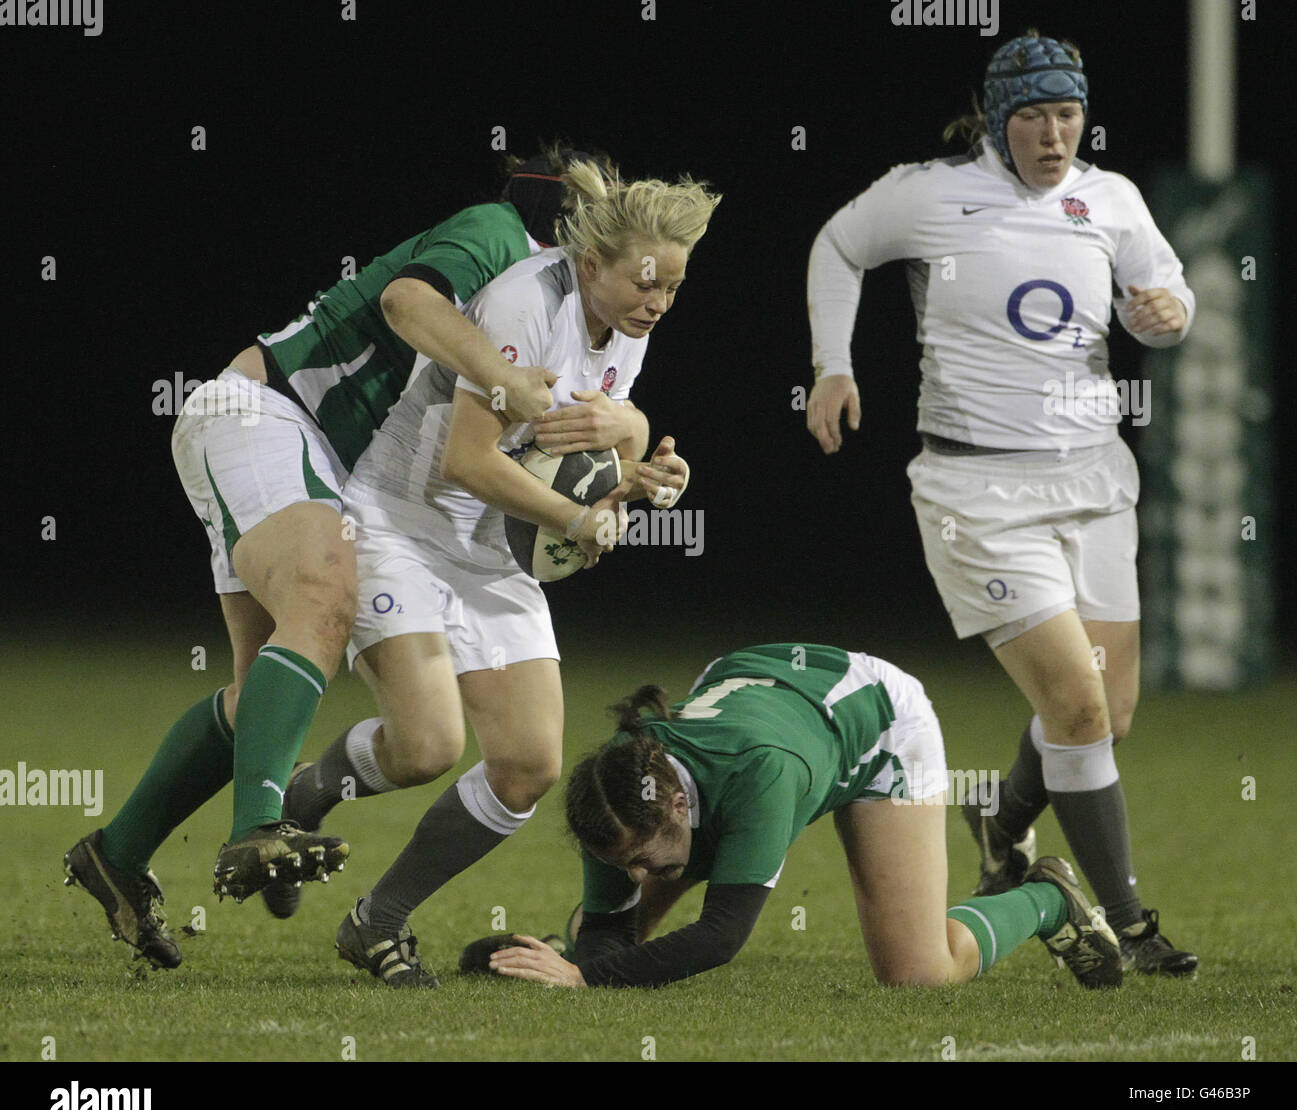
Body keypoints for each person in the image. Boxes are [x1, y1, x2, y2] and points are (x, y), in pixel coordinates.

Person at [62, 147, 598, 969]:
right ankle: (258, 830)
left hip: (281, 440)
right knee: (325, 591)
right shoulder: (498, 232)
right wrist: (508, 384)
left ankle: (118, 852)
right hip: (265, 413)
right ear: (568, 215)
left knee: (260, 703)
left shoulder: (549, 297)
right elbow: (406, 297)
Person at [262, 160, 721, 988]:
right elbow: (469, 459)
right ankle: (310, 790)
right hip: (399, 525)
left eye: (675, 288)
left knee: (528, 765)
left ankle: (379, 919)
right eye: (648, 281)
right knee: (429, 744)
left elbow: (565, 465)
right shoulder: (524, 301)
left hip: (491, 548)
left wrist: (641, 478)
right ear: (589, 265)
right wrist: (579, 522)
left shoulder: (628, 333)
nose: (659, 301)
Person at [803, 31, 1196, 975]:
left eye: (1068, 114)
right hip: (978, 488)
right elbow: (837, 244)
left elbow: (1170, 291)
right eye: (1034, 117)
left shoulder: (1110, 198)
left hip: (1095, 479)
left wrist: (1168, 314)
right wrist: (832, 365)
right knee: (1078, 706)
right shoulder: (931, 192)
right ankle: (1130, 923)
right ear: (998, 120)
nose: (1055, 134)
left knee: (1110, 708)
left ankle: (1004, 815)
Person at [475, 643, 1122, 991]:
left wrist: (586, 972)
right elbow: (609, 924)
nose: (638, 873)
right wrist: (591, 954)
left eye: (641, 856)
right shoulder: (614, 790)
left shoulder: (761, 776)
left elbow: (721, 935)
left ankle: (1045, 896)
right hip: (765, 691)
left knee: (919, 970)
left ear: (677, 803)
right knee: (628, 925)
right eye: (626, 860)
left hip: (878, 728)